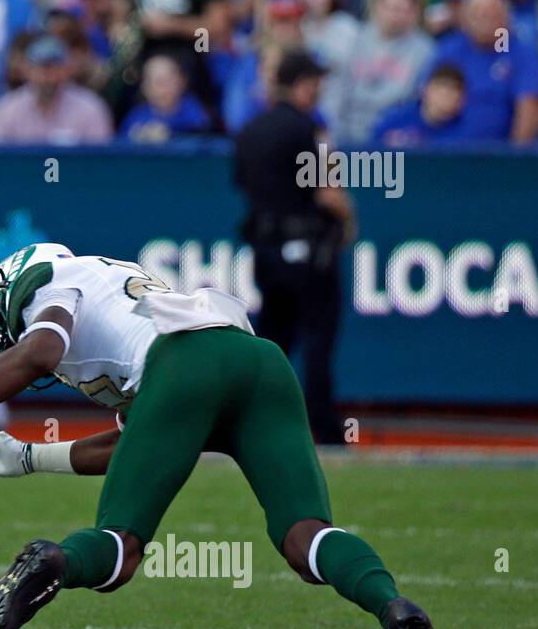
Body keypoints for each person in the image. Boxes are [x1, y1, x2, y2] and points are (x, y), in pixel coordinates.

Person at [0, 243, 455, 629]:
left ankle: (57, 563)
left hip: (184, 364)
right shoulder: (122, 287)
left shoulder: (53, 282)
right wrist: (26, 457)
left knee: (118, 551)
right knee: (305, 536)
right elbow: (138, 444)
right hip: (260, 362)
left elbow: (40, 352)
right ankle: (392, 607)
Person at [234, 50, 353, 444]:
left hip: (266, 250)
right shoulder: (308, 129)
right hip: (310, 253)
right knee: (318, 341)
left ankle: (250, 423)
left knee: (271, 342)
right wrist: (349, 218)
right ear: (304, 83)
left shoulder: (250, 130)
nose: (318, 89)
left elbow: (241, 182)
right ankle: (325, 431)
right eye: (315, 81)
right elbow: (326, 192)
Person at [325, 0, 435, 145]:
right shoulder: (354, 40)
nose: (395, 15)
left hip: (395, 136)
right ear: (377, 7)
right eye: (390, 7)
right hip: (349, 132)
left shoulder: (425, 50)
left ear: (413, 13)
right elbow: (338, 92)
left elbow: (416, 103)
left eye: (402, 9)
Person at [429, 0, 538, 143]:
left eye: (492, 15)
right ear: (464, 18)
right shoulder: (450, 50)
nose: (484, 21)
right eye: (477, 15)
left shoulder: (520, 52)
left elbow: (529, 105)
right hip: (446, 148)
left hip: (498, 154)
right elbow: (428, 100)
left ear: (506, 18)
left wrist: (516, 158)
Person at [0, 34, 113, 144]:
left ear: (66, 70)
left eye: (55, 68)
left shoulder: (90, 108)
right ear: (28, 70)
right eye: (42, 68)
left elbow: (99, 163)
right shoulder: (7, 109)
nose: (49, 77)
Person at [117, 54, 210, 142]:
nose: (164, 88)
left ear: (182, 82)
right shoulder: (136, 116)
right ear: (144, 88)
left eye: (168, 80)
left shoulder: (192, 109)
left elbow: (202, 133)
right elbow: (122, 141)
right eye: (157, 82)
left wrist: (169, 134)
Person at [374, 63, 468, 146]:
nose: (445, 94)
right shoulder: (395, 120)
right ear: (424, 90)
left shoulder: (468, 134)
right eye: (440, 86)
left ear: (462, 99)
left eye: (453, 89)